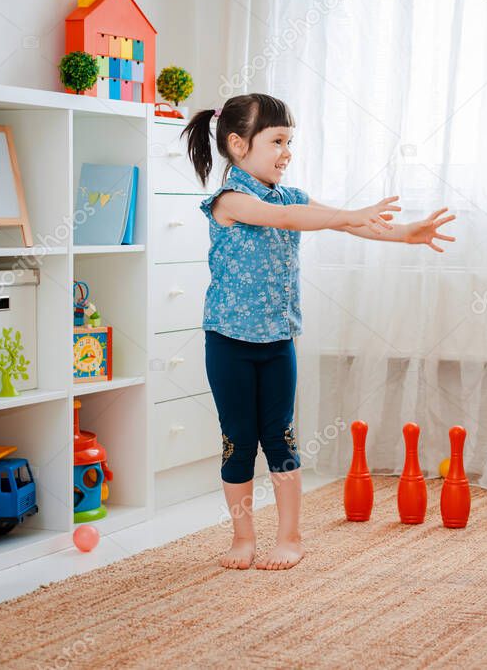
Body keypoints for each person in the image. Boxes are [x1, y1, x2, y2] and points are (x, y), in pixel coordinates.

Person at [184, 93, 455, 570]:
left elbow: (341, 225)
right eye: (278, 141)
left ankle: (290, 537)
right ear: (238, 144)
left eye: (290, 141)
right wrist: (348, 216)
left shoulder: (292, 196)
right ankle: (242, 538)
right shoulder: (230, 201)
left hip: (277, 342)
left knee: (281, 439)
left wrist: (403, 233)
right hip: (228, 342)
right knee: (238, 441)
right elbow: (289, 221)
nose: (287, 152)